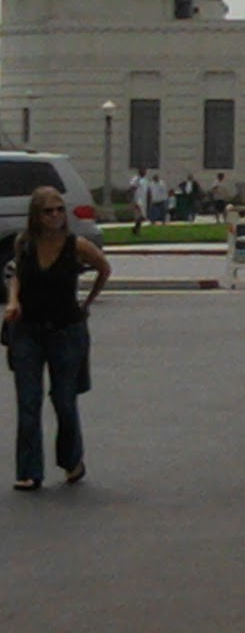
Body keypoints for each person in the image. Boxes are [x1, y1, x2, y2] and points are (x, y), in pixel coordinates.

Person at [4, 186, 112, 490]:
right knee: (28, 400)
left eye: (58, 210)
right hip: (27, 331)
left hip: (66, 331)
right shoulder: (24, 243)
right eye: (47, 211)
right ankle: (28, 471)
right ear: (35, 215)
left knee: (63, 399)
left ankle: (71, 461)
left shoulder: (77, 245)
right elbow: (17, 275)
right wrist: (14, 301)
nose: (54, 216)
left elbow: (104, 268)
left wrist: (87, 303)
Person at [128, 168, 150, 237]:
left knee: (143, 216)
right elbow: (132, 188)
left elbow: (148, 190)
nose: (144, 172)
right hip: (138, 199)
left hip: (144, 200)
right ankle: (136, 230)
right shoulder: (136, 179)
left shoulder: (146, 180)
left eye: (145, 171)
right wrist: (132, 198)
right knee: (141, 216)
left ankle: (135, 229)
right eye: (143, 171)